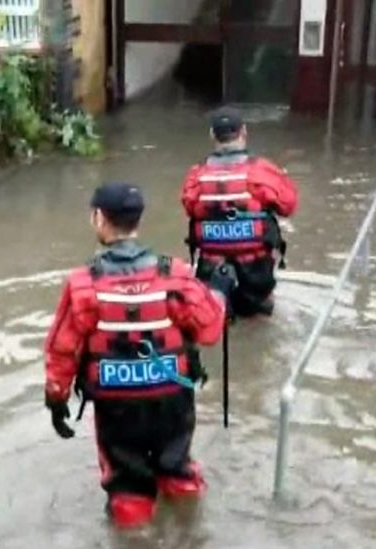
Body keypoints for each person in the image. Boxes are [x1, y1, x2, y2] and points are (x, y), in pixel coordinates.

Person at [43, 182, 228, 528]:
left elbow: (62, 350)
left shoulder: (83, 283)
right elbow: (210, 329)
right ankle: (190, 528)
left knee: (127, 485)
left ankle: (135, 535)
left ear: (98, 218)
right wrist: (219, 293)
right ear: (138, 220)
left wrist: (57, 400)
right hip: (172, 397)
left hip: (117, 406)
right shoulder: (174, 273)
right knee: (178, 467)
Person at [181, 107, 299, 317]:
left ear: (212, 135)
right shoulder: (263, 171)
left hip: (211, 268)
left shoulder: (196, 176)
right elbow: (288, 206)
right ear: (244, 131)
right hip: (255, 270)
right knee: (261, 314)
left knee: (215, 319)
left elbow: (189, 206)